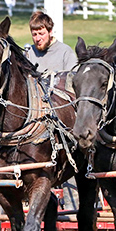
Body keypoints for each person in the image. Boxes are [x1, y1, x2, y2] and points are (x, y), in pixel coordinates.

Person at [27, 11, 81, 210]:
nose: (37, 38)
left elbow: (74, 84)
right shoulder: (29, 54)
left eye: (41, 33)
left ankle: (72, 194)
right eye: (34, 34)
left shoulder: (65, 52)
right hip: (34, 113)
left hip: (60, 112)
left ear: (50, 32)